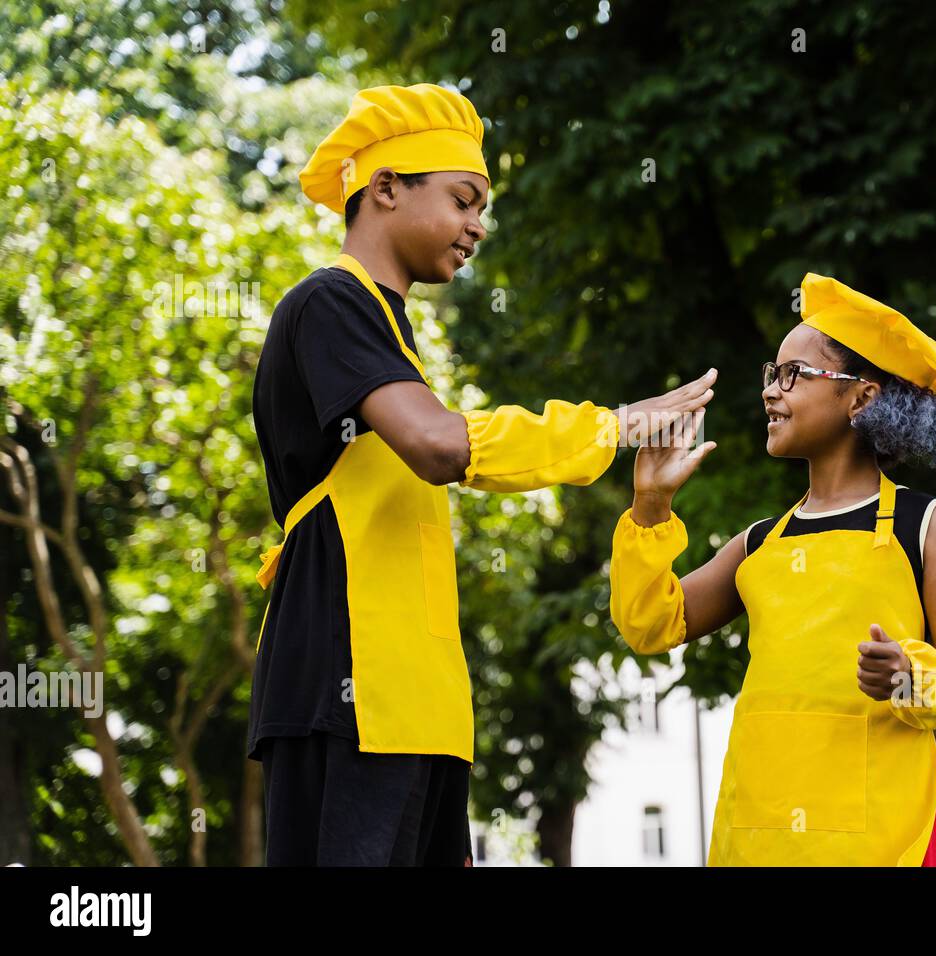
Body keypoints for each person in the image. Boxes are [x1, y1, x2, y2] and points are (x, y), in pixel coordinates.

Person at [247, 83, 716, 866]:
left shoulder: (389, 334)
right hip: (345, 689)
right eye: (464, 199)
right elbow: (437, 445)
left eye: (483, 208)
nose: (478, 227)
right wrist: (612, 423)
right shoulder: (330, 302)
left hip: (415, 703)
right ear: (387, 188)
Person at [608, 272, 936, 866]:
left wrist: (908, 675)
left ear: (862, 396)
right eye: (772, 374)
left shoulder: (928, 528)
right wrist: (650, 506)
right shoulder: (759, 544)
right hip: (755, 843)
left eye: (793, 374)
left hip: (882, 847)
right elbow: (651, 623)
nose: (771, 391)